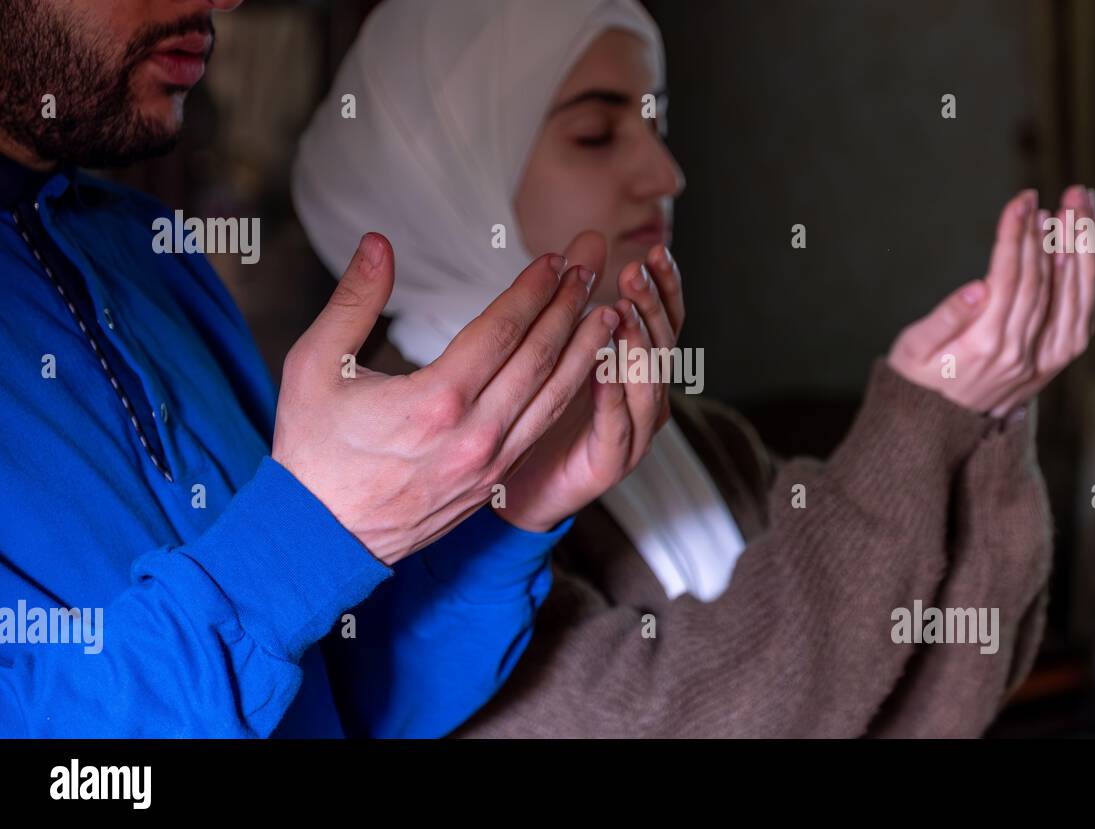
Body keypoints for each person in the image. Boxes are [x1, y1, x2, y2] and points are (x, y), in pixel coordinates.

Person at [293, 0, 1095, 737]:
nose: (666, 174)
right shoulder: (393, 473)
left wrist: (984, 419)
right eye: (596, 133)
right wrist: (916, 423)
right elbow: (673, 718)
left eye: (656, 123)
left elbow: (922, 696)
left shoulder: (693, 434)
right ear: (449, 170)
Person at [0, 0, 649, 738]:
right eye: (593, 132)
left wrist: (511, 511)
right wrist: (303, 538)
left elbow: (349, 706)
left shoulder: (150, 251)